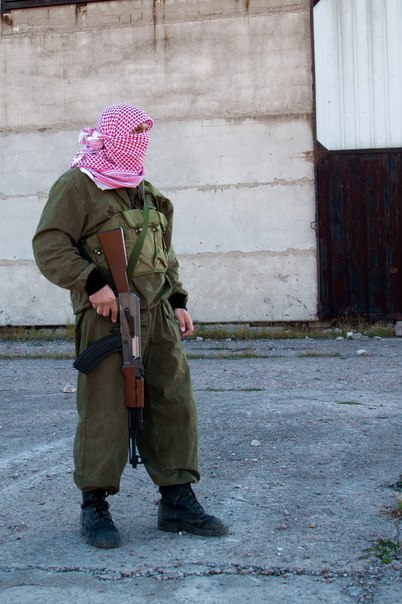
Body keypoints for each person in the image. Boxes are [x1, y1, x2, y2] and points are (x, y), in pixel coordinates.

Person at [32, 103, 228, 548]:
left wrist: (177, 299)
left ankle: (177, 500)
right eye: (133, 131)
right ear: (111, 135)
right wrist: (91, 283)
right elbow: (50, 244)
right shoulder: (78, 185)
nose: (141, 140)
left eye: (144, 131)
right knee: (104, 407)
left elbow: (164, 253)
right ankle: (94, 506)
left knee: (173, 401)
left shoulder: (146, 189)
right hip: (107, 316)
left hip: (156, 314)